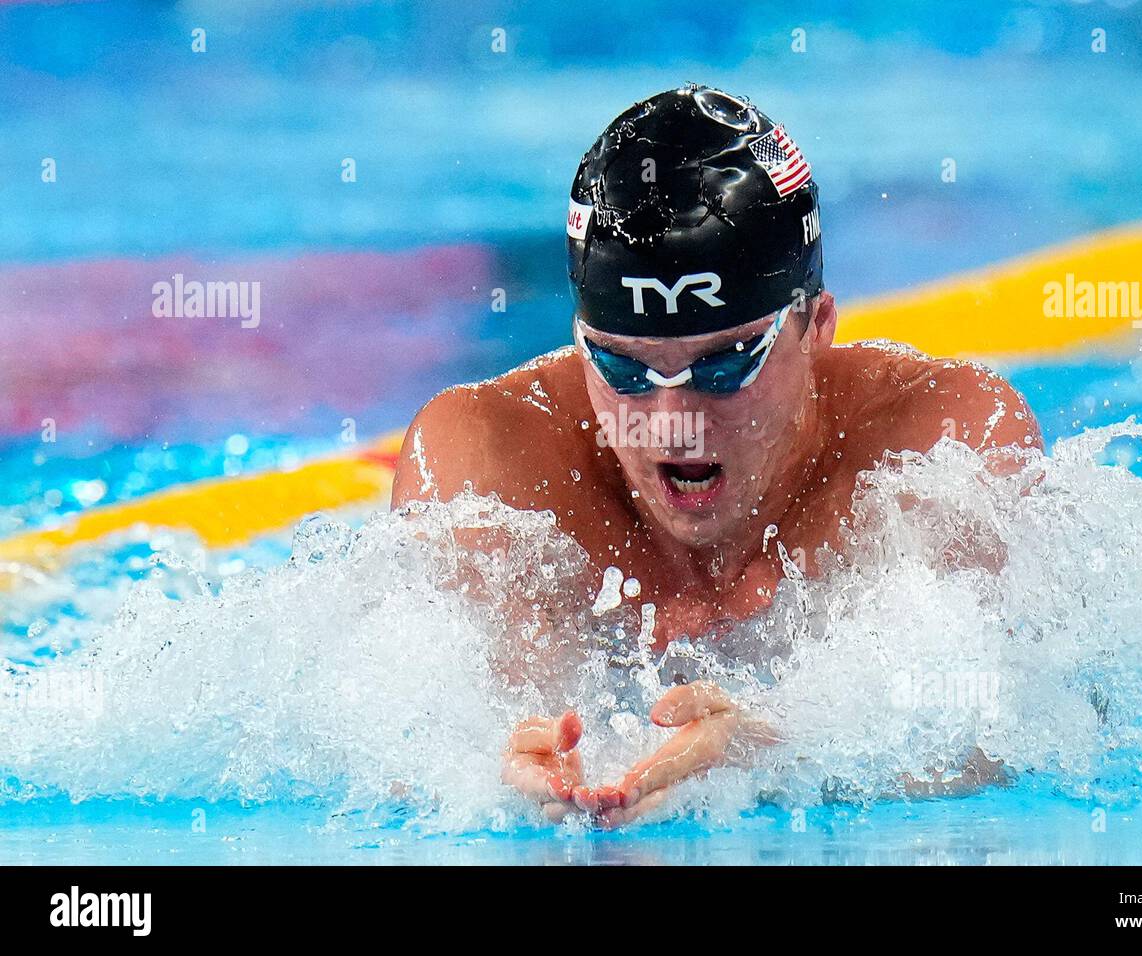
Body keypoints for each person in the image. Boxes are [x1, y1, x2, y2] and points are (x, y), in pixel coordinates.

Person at [392, 85, 1040, 826]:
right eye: (627, 370)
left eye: (726, 365)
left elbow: (1001, 727)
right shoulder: (487, 459)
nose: (673, 425)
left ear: (816, 324)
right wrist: (488, 772)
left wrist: (786, 742)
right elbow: (412, 735)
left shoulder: (936, 443)